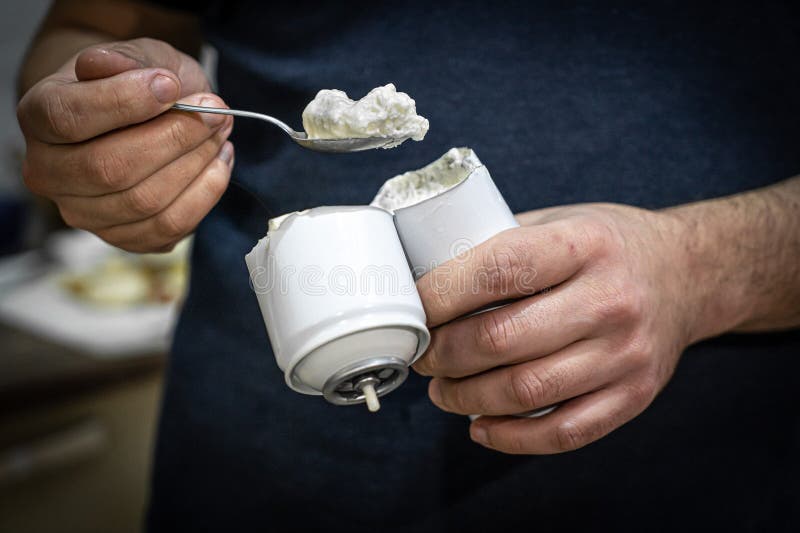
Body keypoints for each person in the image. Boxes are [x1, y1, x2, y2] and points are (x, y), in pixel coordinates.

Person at [16, 1, 800, 531]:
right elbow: (84, 25)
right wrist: (95, 124)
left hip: (699, 472)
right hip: (263, 467)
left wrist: (710, 267)